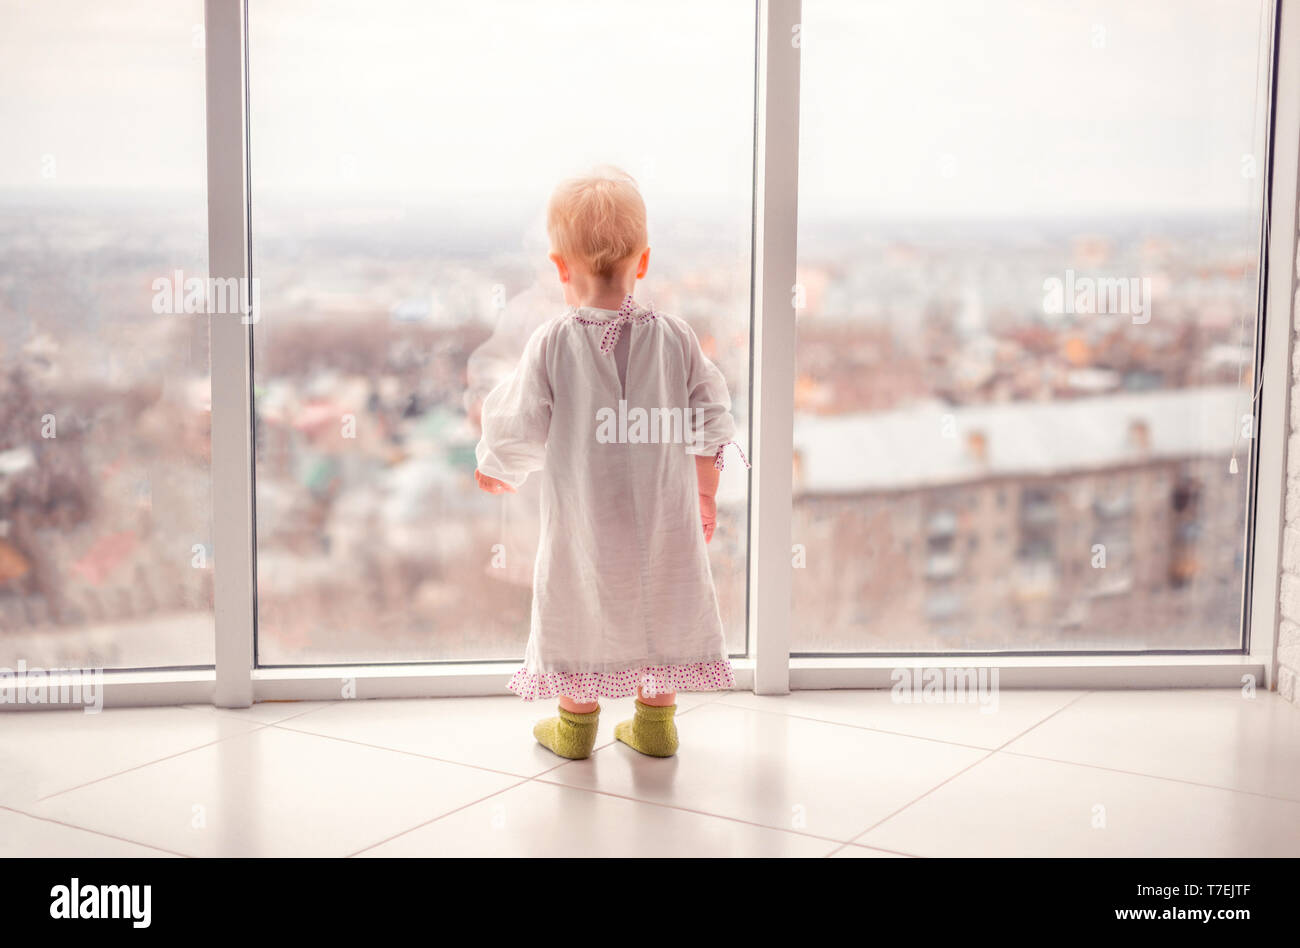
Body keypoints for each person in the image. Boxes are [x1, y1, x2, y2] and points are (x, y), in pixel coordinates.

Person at [474, 167, 746, 759]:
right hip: (664, 512)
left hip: (586, 516)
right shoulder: (675, 338)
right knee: (664, 597)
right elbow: (711, 416)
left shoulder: (554, 340)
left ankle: (575, 729)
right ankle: (654, 722)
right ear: (642, 262)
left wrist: (499, 464)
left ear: (561, 267)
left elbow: (522, 416)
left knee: (578, 597)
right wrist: (704, 492)